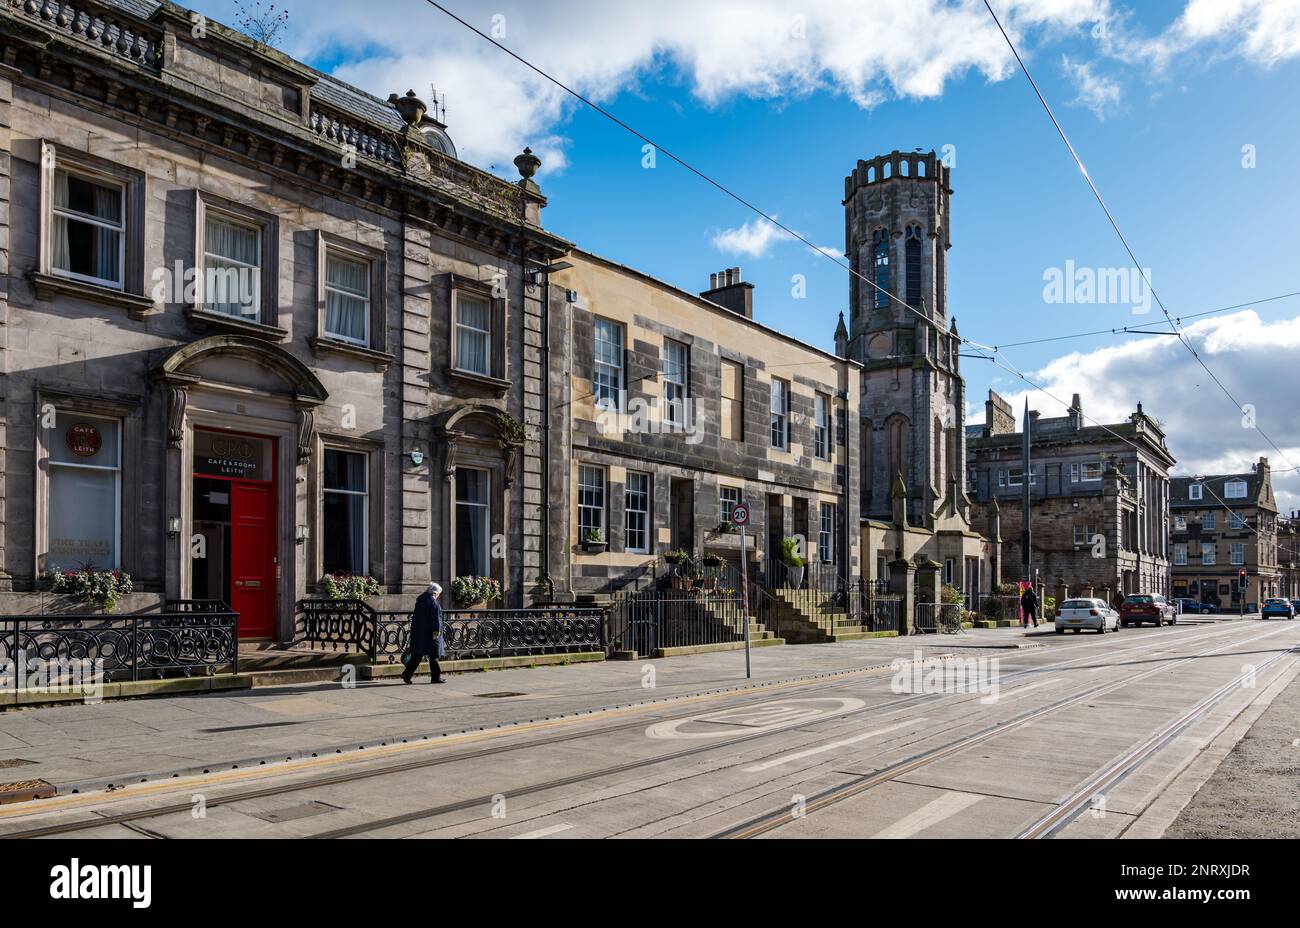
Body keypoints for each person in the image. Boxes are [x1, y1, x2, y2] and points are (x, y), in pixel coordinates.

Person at [403, 582, 446, 685]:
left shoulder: (420, 601)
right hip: (430, 634)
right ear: (435, 593)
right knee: (434, 655)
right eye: (438, 594)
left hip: (419, 633)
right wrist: (436, 634)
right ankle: (435, 677)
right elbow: (436, 620)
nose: (438, 596)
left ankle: (407, 674)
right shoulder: (433, 603)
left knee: (417, 655)